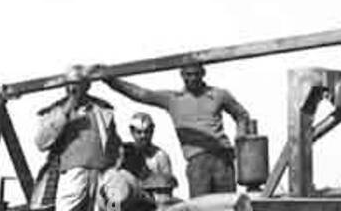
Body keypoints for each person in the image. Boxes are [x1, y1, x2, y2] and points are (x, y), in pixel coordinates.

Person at [35, 64, 121, 211]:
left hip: (100, 174)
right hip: (71, 173)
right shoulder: (56, 111)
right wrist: (68, 109)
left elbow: (114, 144)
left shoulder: (102, 110)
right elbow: (41, 141)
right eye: (71, 85)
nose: (75, 89)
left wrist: (113, 171)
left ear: (87, 85)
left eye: (79, 84)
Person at [103, 63, 251, 197]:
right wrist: (111, 80)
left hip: (222, 158)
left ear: (203, 73)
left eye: (196, 74)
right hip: (197, 161)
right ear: (182, 75)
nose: (192, 78)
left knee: (228, 206)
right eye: (188, 74)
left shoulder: (218, 95)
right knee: (202, 210)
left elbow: (242, 116)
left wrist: (241, 142)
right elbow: (141, 94)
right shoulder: (173, 99)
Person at [120, 112, 177, 205]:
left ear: (152, 131)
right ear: (132, 132)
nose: (143, 136)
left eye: (146, 132)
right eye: (139, 132)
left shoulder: (160, 156)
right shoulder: (124, 153)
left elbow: (167, 188)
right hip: (127, 201)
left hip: (150, 203)